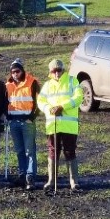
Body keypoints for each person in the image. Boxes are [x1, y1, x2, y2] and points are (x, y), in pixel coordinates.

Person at [36, 58, 84, 191]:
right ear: (50, 72)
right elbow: (40, 101)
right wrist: (48, 109)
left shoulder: (72, 81)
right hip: (53, 124)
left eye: (59, 70)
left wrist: (62, 107)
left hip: (69, 125)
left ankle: (74, 181)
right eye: (54, 71)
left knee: (70, 151)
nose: (57, 73)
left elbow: (78, 97)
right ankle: (51, 181)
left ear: (63, 70)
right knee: (53, 152)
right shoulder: (47, 85)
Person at [5, 59, 40, 189]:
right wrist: (7, 116)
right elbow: (5, 102)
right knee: (20, 151)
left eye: (17, 71)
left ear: (22, 70)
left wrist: (33, 116)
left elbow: (41, 101)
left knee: (29, 151)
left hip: (27, 122)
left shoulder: (32, 82)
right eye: (13, 72)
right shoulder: (8, 85)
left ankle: (30, 176)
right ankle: (22, 174)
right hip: (14, 122)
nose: (15, 74)